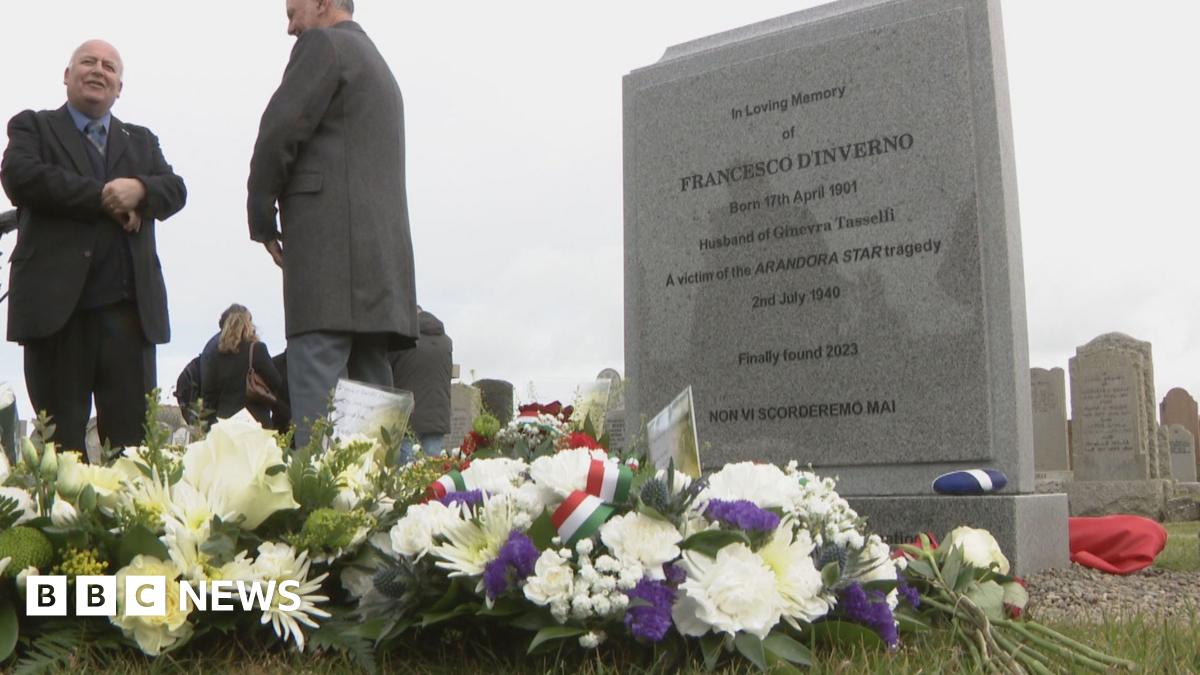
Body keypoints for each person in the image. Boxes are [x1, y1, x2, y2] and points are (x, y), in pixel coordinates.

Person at [1, 40, 186, 456]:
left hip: (128, 318)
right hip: (57, 318)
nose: (98, 70)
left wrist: (140, 188)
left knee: (131, 453)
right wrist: (106, 196)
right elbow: (21, 176)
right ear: (67, 76)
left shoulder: (140, 141)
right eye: (87, 62)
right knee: (60, 453)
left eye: (109, 66)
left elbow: (175, 190)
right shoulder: (33, 127)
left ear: (119, 87)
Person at [247, 0, 418, 448]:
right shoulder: (379, 66)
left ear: (322, 3)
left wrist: (262, 213)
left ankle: (324, 510)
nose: (289, 29)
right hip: (376, 271)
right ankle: (380, 515)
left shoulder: (323, 44)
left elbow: (279, 130)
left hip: (326, 264)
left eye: (292, 13)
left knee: (319, 419)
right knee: (373, 425)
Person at [200, 307, 286, 427]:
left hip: (224, 422)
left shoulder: (215, 355)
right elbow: (276, 382)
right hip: (255, 420)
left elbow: (208, 391)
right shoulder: (257, 349)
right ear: (248, 325)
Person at [391, 308, 452, 461]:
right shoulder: (446, 342)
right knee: (431, 472)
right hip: (437, 417)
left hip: (408, 416)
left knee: (407, 474)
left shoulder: (403, 339)